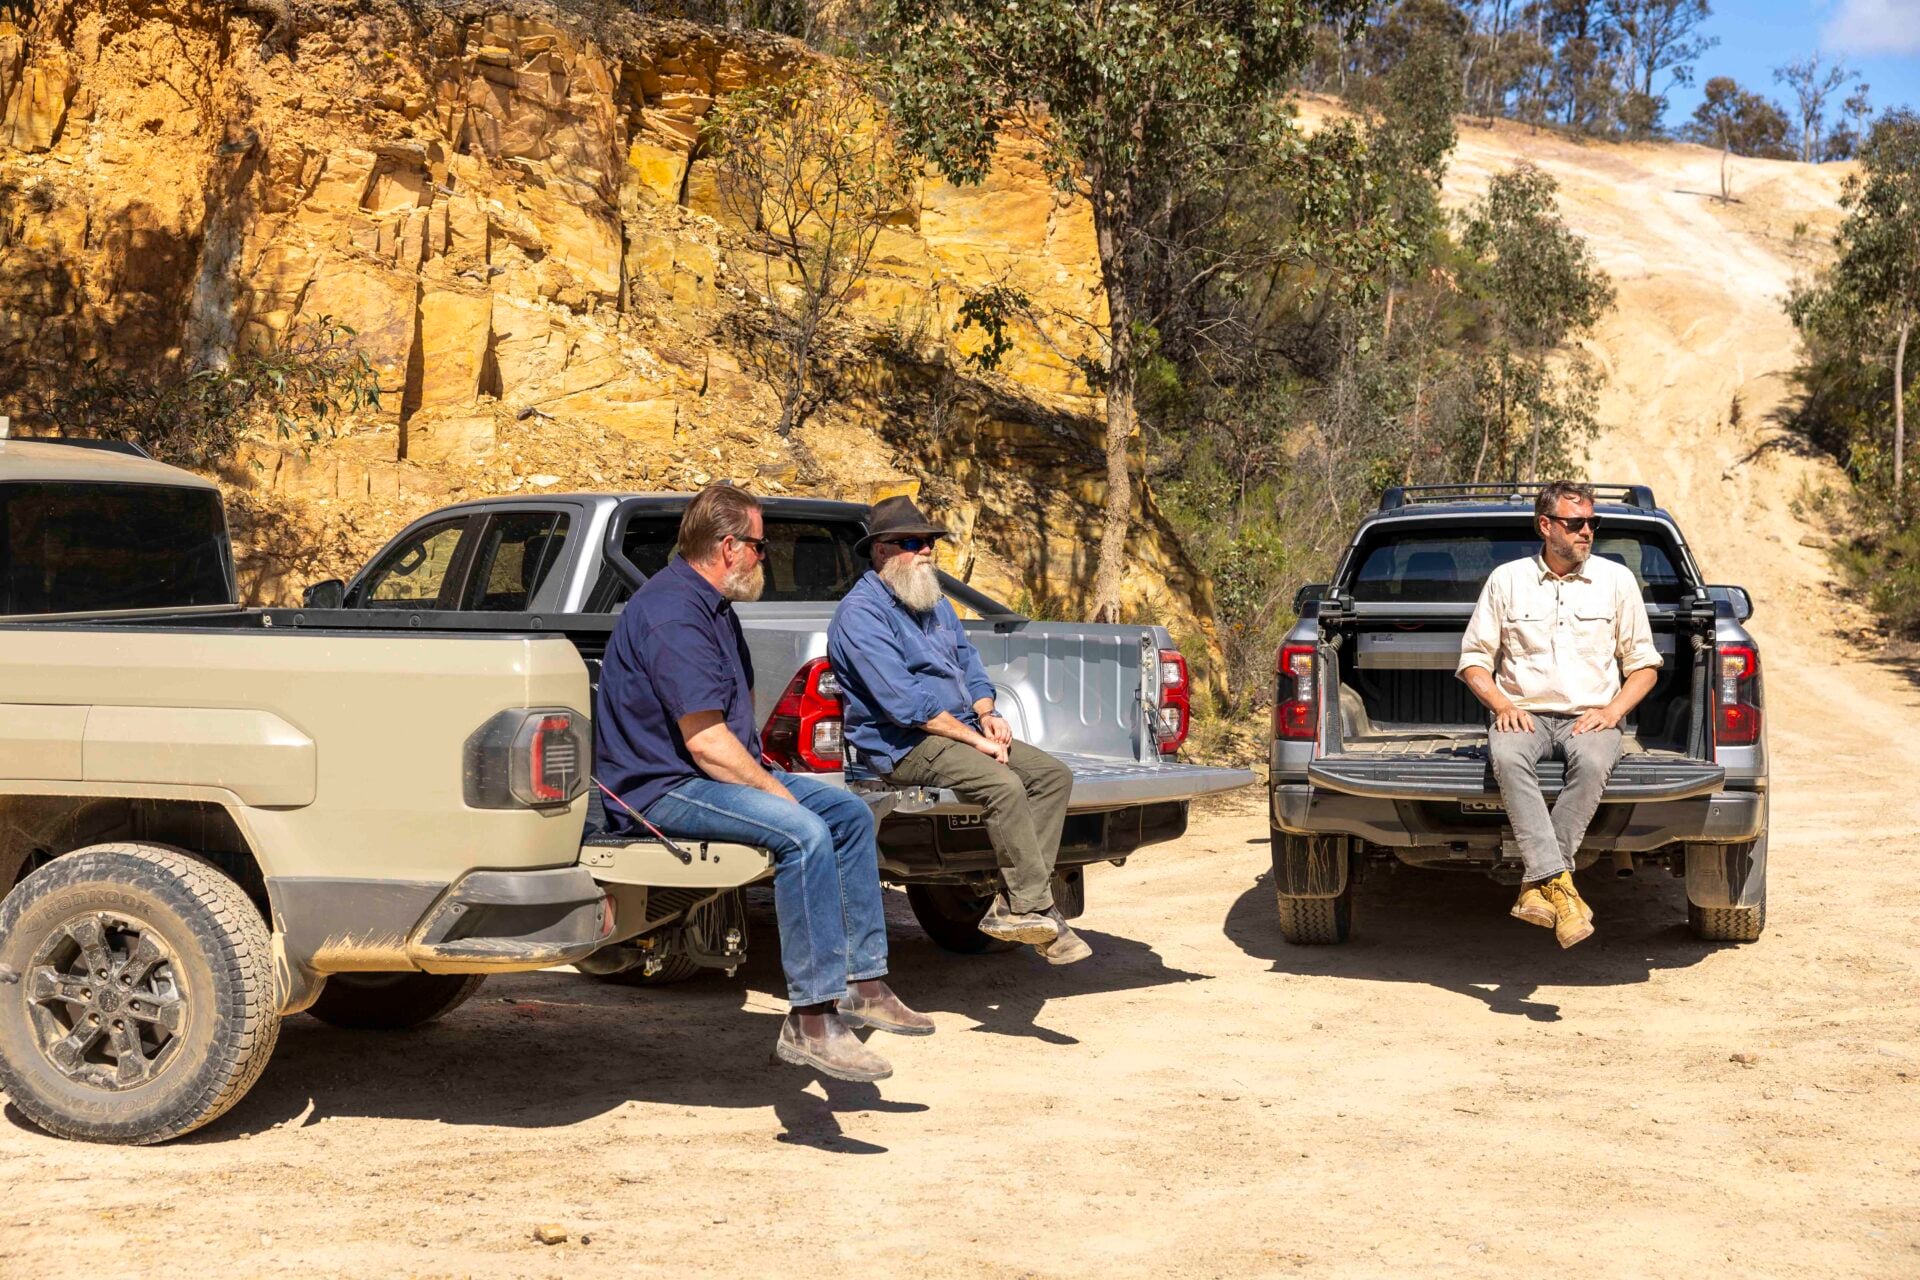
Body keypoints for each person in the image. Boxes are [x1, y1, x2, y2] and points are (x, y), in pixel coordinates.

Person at [594, 483, 932, 1082]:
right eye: (758, 546)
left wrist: (773, 781)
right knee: (803, 832)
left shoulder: (711, 604)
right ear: (727, 547)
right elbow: (705, 744)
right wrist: (775, 793)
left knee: (849, 815)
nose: (763, 557)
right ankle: (809, 1017)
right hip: (663, 788)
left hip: (707, 773)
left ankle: (863, 982)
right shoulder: (673, 613)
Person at [827, 495, 1089, 965]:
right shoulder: (860, 614)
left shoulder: (934, 602)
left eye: (929, 541)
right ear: (882, 551)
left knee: (1052, 776)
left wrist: (987, 711)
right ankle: (1033, 905)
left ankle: (1016, 903)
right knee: (1003, 785)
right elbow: (905, 704)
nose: (926, 550)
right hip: (903, 744)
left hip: (957, 729)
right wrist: (976, 740)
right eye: (912, 542)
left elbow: (967, 663)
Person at [1457, 480, 1663, 948]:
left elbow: (1645, 666)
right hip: (1522, 713)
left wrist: (1613, 711)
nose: (1587, 531)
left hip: (1590, 715)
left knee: (1592, 763)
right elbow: (1474, 659)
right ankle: (1563, 890)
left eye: (1593, 523)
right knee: (1508, 759)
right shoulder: (1506, 580)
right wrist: (1502, 706)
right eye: (1575, 523)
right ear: (1546, 526)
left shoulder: (1616, 580)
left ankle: (1540, 884)